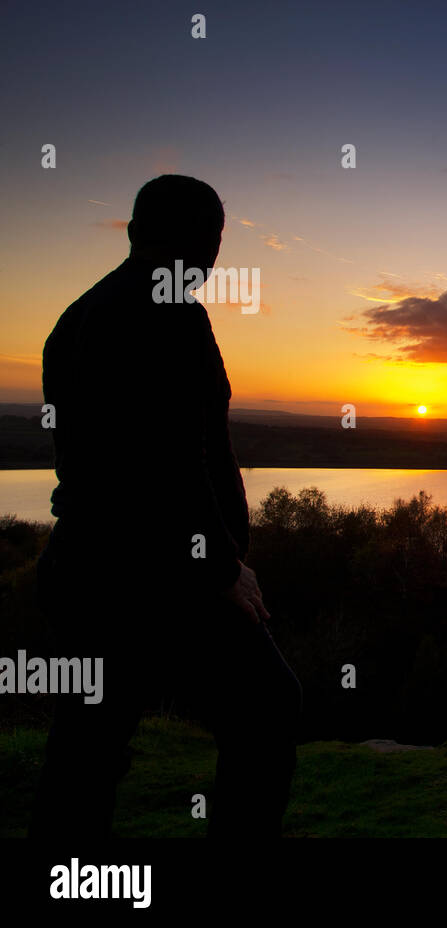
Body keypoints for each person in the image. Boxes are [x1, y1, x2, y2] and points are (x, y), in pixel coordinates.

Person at [29, 175, 301, 838]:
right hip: (160, 576)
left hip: (83, 566)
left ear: (130, 231)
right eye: (208, 241)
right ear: (203, 244)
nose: (210, 260)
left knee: (86, 748)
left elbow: (113, 460)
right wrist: (221, 568)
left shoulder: (75, 317)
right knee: (268, 708)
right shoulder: (172, 310)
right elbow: (171, 462)